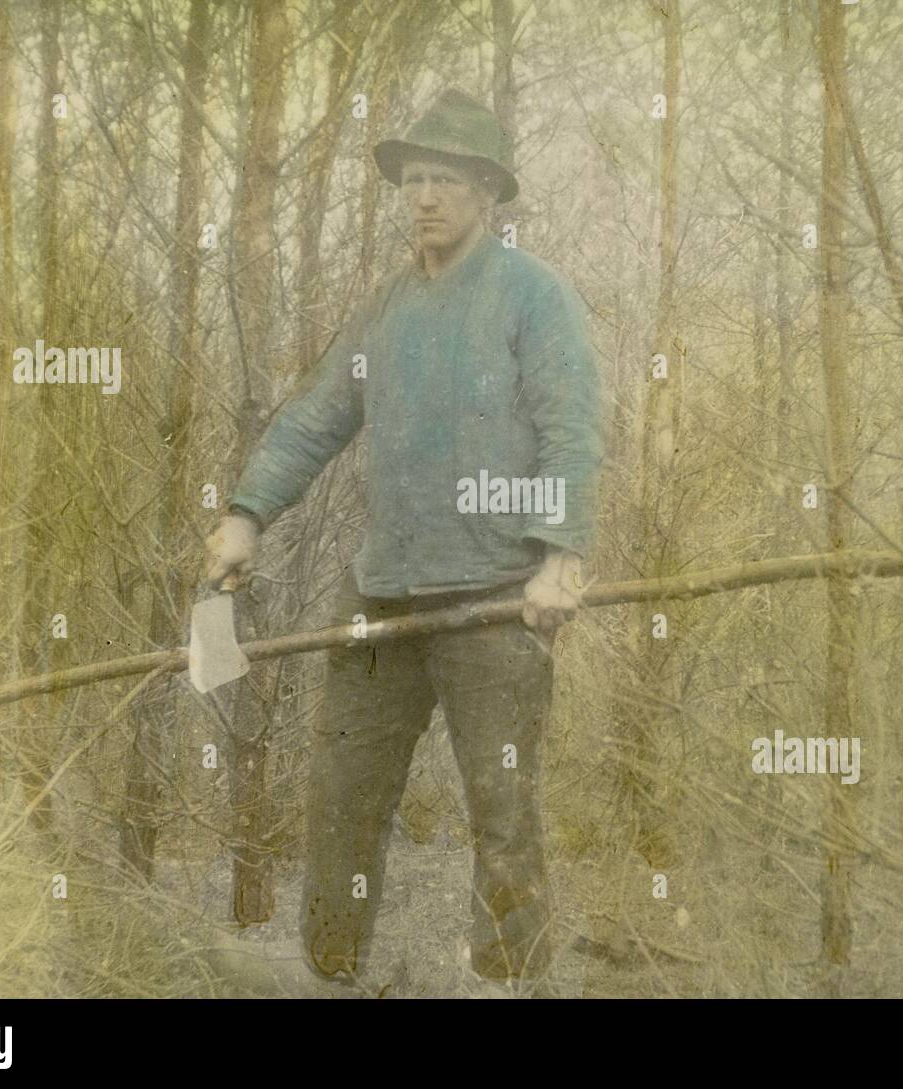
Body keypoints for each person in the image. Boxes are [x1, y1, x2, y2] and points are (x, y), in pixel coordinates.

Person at [202, 88, 604, 993]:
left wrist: (560, 558)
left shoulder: (534, 298)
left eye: (445, 180)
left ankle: (511, 983)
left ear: (487, 194)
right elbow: (315, 416)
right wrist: (246, 513)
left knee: (502, 810)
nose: (423, 196)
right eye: (413, 178)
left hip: (497, 597)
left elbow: (572, 429)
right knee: (342, 796)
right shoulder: (385, 308)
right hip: (383, 594)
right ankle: (330, 974)